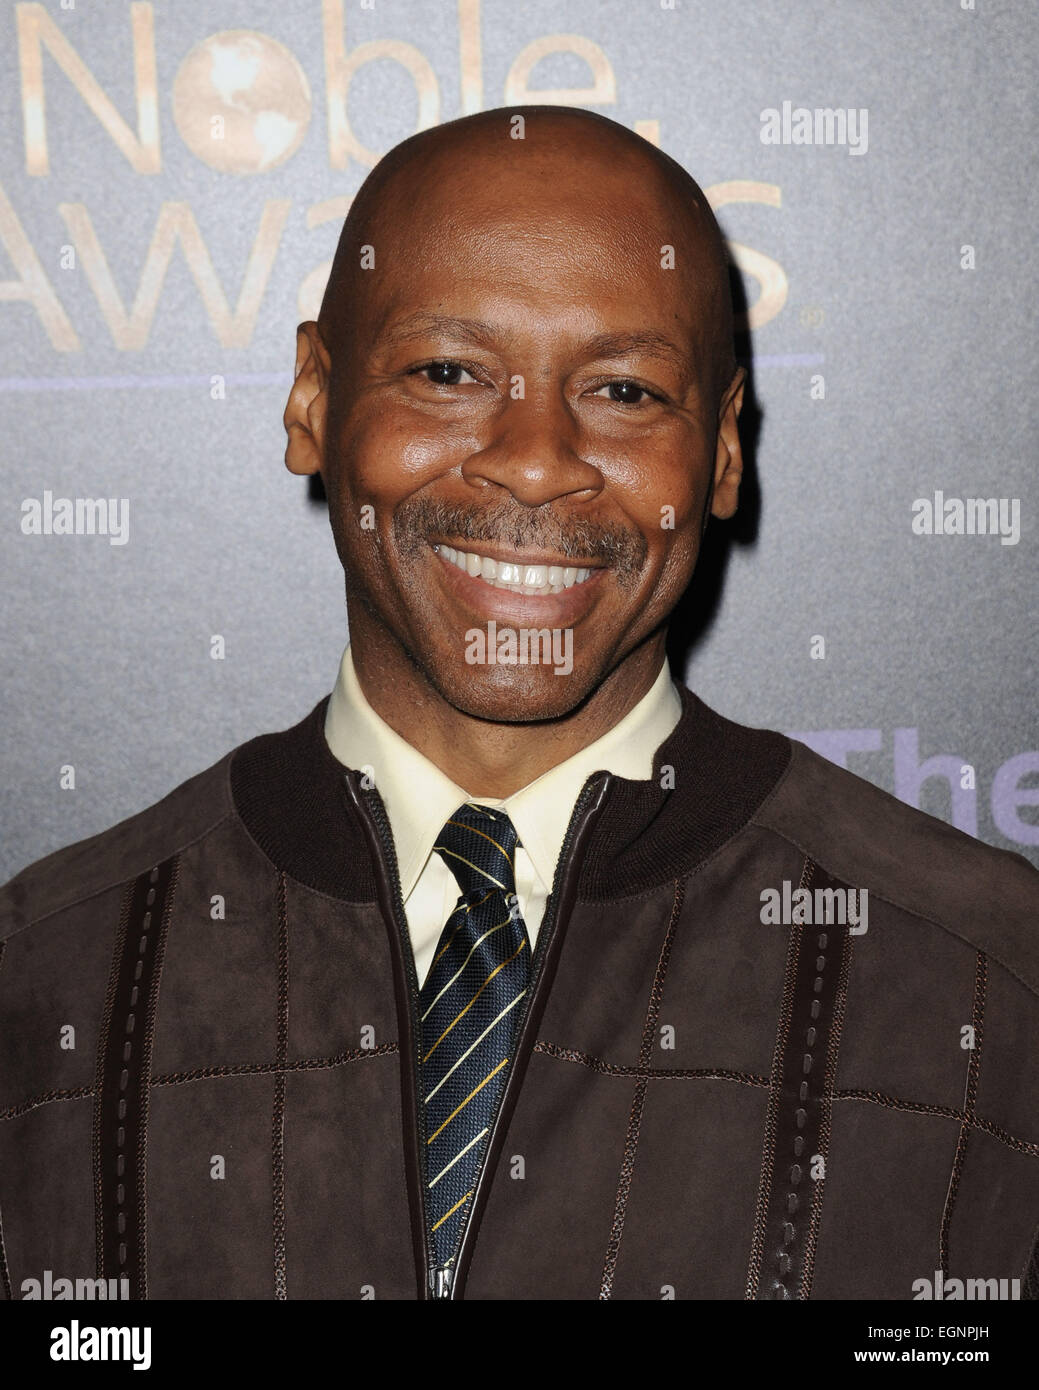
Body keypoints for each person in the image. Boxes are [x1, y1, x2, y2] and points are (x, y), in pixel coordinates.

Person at [1, 107, 1036, 1303]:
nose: (536, 458)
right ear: (311, 404)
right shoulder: (47, 976)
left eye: (624, 390)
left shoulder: (991, 982)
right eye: (447, 373)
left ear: (724, 452)